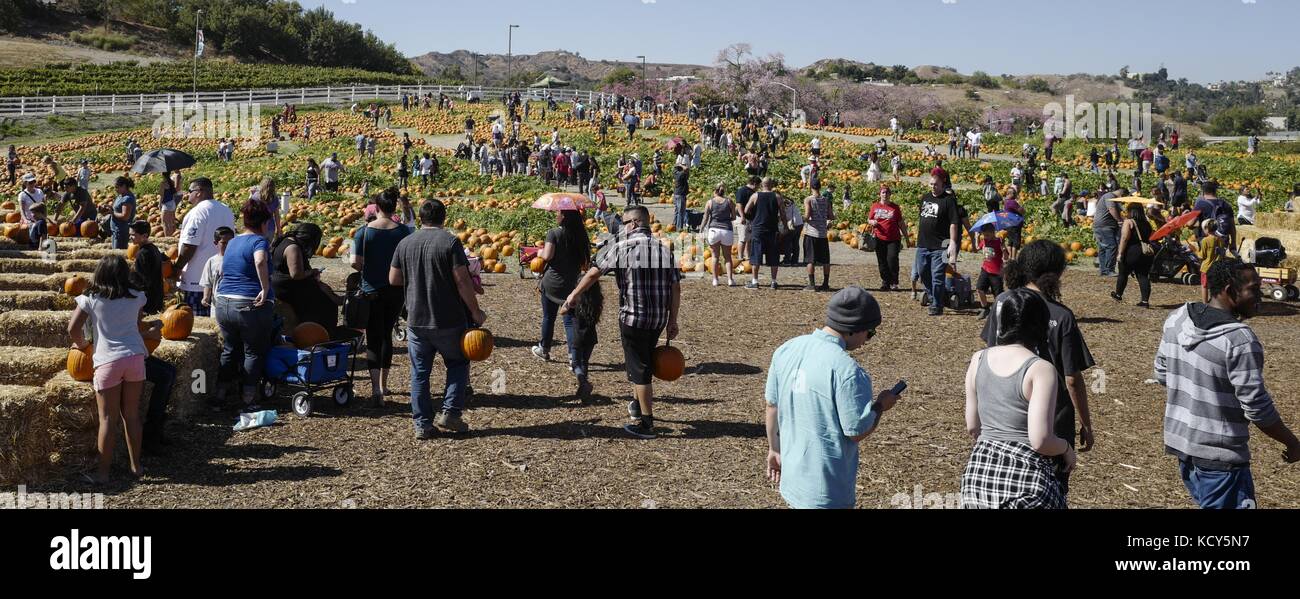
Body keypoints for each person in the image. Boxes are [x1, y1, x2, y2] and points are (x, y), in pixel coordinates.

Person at [1154, 259, 1300, 508]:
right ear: (1231, 291)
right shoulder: (1239, 339)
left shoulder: (1178, 318)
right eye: (1253, 289)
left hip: (1184, 447)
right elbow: (1257, 408)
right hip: (1221, 458)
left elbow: (1162, 373)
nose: (1260, 297)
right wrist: (1292, 442)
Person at [764, 287, 899, 508]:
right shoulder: (848, 371)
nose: (868, 340)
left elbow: (772, 406)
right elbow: (857, 430)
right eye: (870, 332)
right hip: (827, 490)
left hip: (793, 482)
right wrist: (881, 405)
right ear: (854, 329)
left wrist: (774, 450)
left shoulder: (787, 349)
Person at [981, 240, 1097, 496]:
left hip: (1006, 416)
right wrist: (1086, 424)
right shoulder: (1062, 315)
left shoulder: (1003, 302)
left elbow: (991, 353)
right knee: (1050, 489)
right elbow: (1071, 378)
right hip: (1053, 420)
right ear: (1056, 273)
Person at [563, 205, 681, 439]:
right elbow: (675, 287)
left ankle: (646, 424)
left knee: (640, 370)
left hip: (633, 317)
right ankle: (637, 406)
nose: (622, 228)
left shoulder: (623, 247)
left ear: (635, 223)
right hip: (657, 319)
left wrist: (574, 295)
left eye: (625, 222)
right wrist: (672, 320)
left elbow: (594, 273)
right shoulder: (664, 250)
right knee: (643, 361)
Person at [961, 288, 1075, 509]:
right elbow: (1041, 440)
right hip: (1025, 486)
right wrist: (1066, 449)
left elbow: (973, 426)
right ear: (1040, 324)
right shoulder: (1040, 369)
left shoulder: (978, 359)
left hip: (977, 481)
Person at [389, 200, 486, 438]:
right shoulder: (449, 242)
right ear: (444, 217)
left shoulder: (405, 242)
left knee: (420, 373)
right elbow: (462, 281)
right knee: (457, 363)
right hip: (448, 318)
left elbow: (394, 279)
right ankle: (451, 412)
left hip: (416, 318)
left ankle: (422, 425)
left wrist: (417, 277)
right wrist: (475, 311)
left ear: (421, 218)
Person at [68, 256, 149, 484]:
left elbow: (73, 328)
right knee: (132, 416)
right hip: (134, 357)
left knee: (107, 419)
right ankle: (136, 467)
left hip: (107, 360)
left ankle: (103, 474)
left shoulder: (90, 298)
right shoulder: (136, 297)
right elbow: (137, 326)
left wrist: (83, 345)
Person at [350, 191, 412, 407]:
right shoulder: (403, 232)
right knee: (386, 334)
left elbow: (354, 262)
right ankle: (385, 385)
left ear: (376, 207)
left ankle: (375, 388)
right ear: (394, 207)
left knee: (373, 337)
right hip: (396, 290)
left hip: (371, 290)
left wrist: (368, 267)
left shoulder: (363, 232)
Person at [215, 201, 277, 411]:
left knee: (230, 349)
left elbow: (224, 269)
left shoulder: (232, 242)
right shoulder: (259, 241)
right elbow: (260, 261)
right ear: (265, 222)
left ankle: (220, 395)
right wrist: (265, 287)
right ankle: (248, 399)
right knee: (253, 351)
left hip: (224, 302)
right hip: (248, 304)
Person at [531, 209, 590, 386]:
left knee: (549, 317)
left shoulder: (554, 233)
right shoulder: (581, 236)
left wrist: (539, 252)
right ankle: (574, 358)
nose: (556, 215)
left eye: (558, 212)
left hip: (552, 283)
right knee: (570, 321)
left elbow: (547, 255)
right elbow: (585, 262)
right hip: (571, 284)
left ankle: (544, 348)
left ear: (563, 216)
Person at [171, 177, 236, 317]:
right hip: (221, 275)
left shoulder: (198, 212)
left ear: (199, 192)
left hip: (197, 278)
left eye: (190, 191)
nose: (188, 194)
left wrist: (177, 267)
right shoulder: (226, 209)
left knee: (197, 322)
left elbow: (189, 245)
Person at [271, 222, 342, 334]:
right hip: (286, 288)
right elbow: (296, 274)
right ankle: (321, 333)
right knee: (325, 302)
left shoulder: (286, 241)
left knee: (322, 291)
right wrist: (312, 272)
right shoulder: (293, 248)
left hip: (283, 283)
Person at [916, 176, 960, 316]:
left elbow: (954, 223)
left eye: (936, 184)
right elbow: (922, 216)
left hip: (941, 245)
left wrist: (952, 242)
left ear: (942, 185)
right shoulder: (925, 197)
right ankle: (933, 295)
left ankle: (937, 304)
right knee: (922, 271)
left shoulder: (948, 201)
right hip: (923, 244)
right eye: (931, 184)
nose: (933, 186)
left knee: (937, 276)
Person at [743, 177, 788, 289]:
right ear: (771, 185)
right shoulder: (777, 197)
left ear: (762, 185)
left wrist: (752, 218)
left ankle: (755, 281)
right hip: (772, 229)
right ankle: (773, 281)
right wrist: (786, 226)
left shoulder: (755, 196)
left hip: (758, 229)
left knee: (756, 256)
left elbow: (746, 210)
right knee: (774, 256)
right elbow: (783, 213)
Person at [1112, 203, 1155, 308]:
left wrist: (1120, 253)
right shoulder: (1147, 223)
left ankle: (1118, 294)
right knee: (1143, 276)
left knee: (1123, 272)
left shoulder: (1129, 222)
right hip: (1146, 253)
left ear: (1131, 211)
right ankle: (1145, 301)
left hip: (1131, 251)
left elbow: (1125, 238)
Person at [868, 185, 907, 290]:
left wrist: (906, 236)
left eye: (887, 192)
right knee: (882, 261)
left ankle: (894, 282)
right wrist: (873, 222)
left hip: (893, 238)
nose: (885, 194)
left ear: (890, 194)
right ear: (880, 194)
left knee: (892, 259)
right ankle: (885, 282)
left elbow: (900, 222)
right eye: (883, 192)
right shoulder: (875, 206)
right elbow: (869, 219)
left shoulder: (895, 207)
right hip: (879, 238)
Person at [700, 182, 737, 287]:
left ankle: (715, 280)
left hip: (714, 231)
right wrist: (726, 218)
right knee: (728, 257)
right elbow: (734, 217)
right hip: (726, 230)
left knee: (715, 256)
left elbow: (705, 218)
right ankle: (730, 280)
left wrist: (701, 228)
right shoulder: (729, 201)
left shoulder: (710, 202)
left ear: (715, 191)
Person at [128, 221, 165, 315]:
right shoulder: (153, 248)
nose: (130, 237)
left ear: (144, 236)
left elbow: (143, 280)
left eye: (133, 235)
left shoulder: (143, 254)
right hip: (157, 295)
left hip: (148, 300)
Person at [802, 181, 832, 291]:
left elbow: (807, 214)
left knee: (810, 259)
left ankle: (812, 284)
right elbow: (831, 215)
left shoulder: (808, 199)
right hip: (823, 234)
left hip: (811, 232)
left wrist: (802, 219)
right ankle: (825, 284)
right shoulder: (826, 200)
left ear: (811, 187)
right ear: (820, 187)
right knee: (825, 260)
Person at [975, 224, 1006, 320]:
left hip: (996, 272)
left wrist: (1004, 249)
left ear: (993, 233)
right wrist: (976, 238)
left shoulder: (999, 242)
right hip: (985, 269)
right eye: (984, 235)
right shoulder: (984, 241)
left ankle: (999, 312)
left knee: (998, 294)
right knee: (979, 289)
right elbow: (976, 248)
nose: (986, 237)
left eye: (988, 235)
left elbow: (1006, 257)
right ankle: (985, 308)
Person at [199, 227, 235, 311]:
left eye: (231, 243)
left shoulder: (238, 259)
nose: (228, 246)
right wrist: (206, 297)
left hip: (234, 304)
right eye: (224, 243)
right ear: (216, 243)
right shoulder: (212, 261)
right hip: (217, 306)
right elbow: (208, 283)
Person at [1092, 187, 1124, 277]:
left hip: (1103, 226)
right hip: (1104, 226)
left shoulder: (1112, 198)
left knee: (1103, 248)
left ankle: (1104, 270)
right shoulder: (1110, 196)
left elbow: (1120, 210)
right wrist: (1119, 220)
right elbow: (1111, 209)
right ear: (1121, 194)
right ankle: (1109, 270)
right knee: (1111, 246)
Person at [1197, 220, 1224, 304]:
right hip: (1216, 267)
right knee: (1214, 286)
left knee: (1204, 286)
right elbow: (1222, 253)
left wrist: (1194, 250)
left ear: (1207, 229)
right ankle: (1214, 302)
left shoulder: (1205, 240)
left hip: (1206, 267)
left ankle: (1205, 303)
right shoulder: (1220, 239)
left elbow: (1202, 256)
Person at [108, 176, 136, 250]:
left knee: (118, 254)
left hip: (121, 231)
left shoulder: (127, 199)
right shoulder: (120, 196)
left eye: (117, 187)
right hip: (116, 230)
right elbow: (117, 209)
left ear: (124, 186)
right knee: (115, 252)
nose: (115, 189)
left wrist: (112, 213)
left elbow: (125, 216)